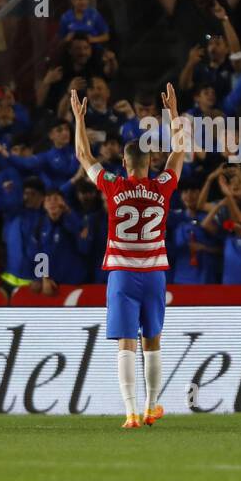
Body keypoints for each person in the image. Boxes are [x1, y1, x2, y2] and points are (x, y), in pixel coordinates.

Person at [70, 82, 186, 429]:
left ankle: (131, 412)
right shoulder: (162, 185)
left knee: (125, 342)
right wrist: (174, 115)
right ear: (150, 162)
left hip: (121, 273)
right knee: (152, 341)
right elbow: (179, 152)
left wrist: (79, 118)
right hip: (153, 273)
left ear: (123, 162)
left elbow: (83, 157)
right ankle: (152, 407)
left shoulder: (113, 185)